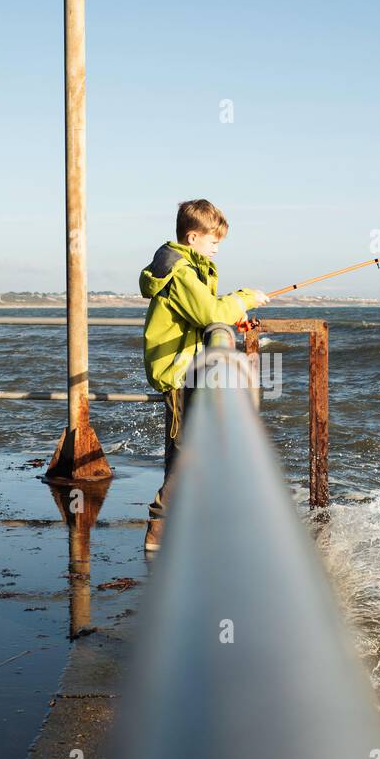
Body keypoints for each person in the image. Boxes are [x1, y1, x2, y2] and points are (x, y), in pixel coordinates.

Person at [138, 199, 269, 553]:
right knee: (187, 451)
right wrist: (245, 297)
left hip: (186, 368)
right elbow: (208, 310)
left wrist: (228, 319)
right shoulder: (181, 273)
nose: (216, 248)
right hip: (180, 373)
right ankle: (159, 529)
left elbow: (202, 315)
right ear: (192, 237)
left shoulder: (186, 269)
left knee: (184, 447)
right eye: (213, 241)